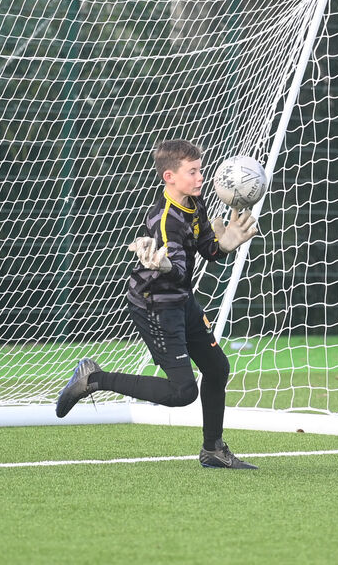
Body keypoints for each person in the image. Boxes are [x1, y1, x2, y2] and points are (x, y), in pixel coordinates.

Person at [55, 139, 260, 469]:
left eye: (200, 170)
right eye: (192, 172)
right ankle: (94, 379)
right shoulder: (164, 220)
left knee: (217, 368)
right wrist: (165, 266)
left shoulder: (196, 201)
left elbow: (206, 248)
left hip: (180, 299)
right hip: (155, 306)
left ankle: (213, 450)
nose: (200, 177)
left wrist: (225, 244)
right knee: (183, 393)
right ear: (170, 177)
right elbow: (177, 271)